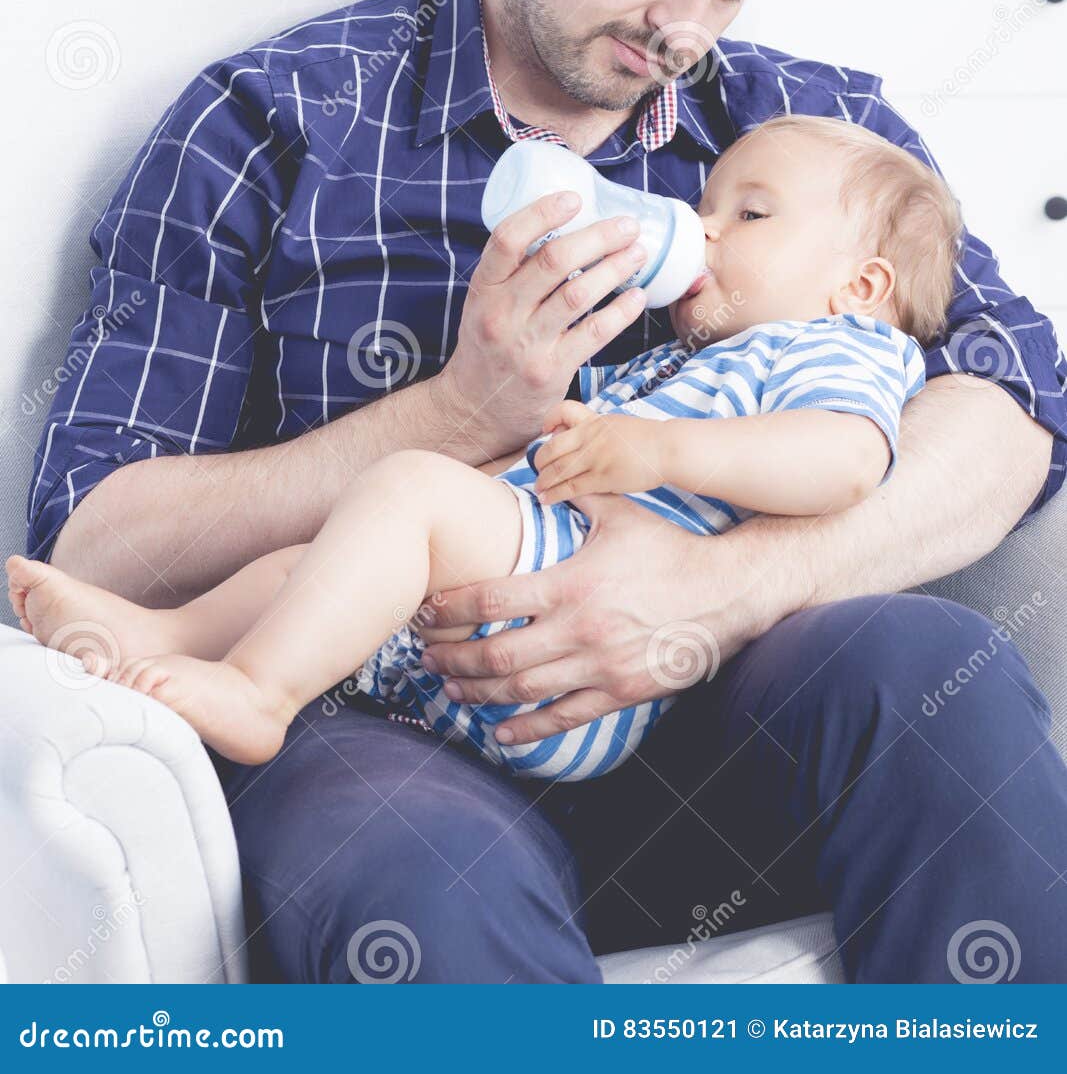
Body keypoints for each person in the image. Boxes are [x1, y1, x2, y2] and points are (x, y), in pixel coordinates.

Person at [24, 0, 1067, 982]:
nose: (683, 27)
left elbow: (1014, 400)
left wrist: (713, 593)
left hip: (722, 703)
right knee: (417, 875)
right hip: (385, 719)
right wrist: (459, 411)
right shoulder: (270, 127)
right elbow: (96, 543)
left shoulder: (802, 142)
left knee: (930, 668)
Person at [11, 114, 951, 779]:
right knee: (329, 553)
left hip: (587, 656)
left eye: (750, 215)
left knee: (408, 492)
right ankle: (164, 636)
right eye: (707, 203)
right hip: (506, 606)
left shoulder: (838, 349)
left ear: (861, 286)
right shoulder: (680, 362)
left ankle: (258, 694)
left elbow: (843, 463)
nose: (702, 227)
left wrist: (662, 454)